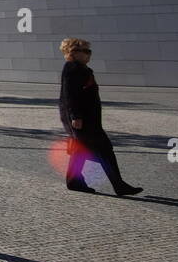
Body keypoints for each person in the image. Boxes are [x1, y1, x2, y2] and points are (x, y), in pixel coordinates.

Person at [58, 38, 142, 196]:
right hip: (83, 120)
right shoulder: (73, 68)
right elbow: (70, 95)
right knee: (105, 150)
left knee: (80, 150)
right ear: (74, 53)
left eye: (90, 51)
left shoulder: (80, 68)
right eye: (86, 51)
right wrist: (76, 116)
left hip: (86, 119)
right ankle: (119, 185)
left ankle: (74, 181)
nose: (89, 54)